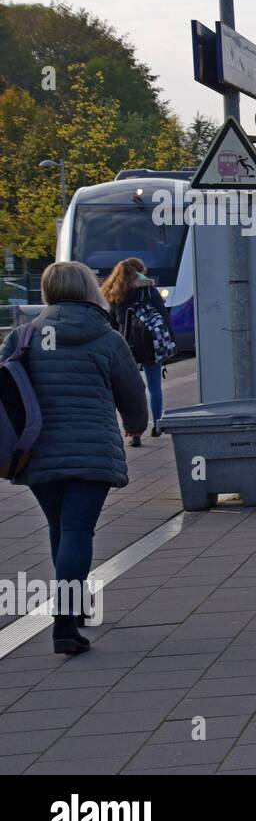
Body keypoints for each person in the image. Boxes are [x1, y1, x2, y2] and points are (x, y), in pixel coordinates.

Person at [0, 262, 148, 655]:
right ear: (88, 289)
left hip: (34, 449)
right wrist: (136, 425)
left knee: (60, 527)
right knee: (77, 530)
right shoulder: (106, 337)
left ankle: (75, 605)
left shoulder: (22, 336)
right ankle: (65, 622)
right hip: (92, 448)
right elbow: (131, 393)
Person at [100, 257, 173, 446]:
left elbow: (110, 323)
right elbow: (163, 317)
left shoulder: (113, 292)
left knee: (130, 389)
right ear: (140, 271)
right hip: (149, 343)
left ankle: (135, 434)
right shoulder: (149, 289)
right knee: (155, 387)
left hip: (124, 346)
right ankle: (157, 425)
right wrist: (167, 341)